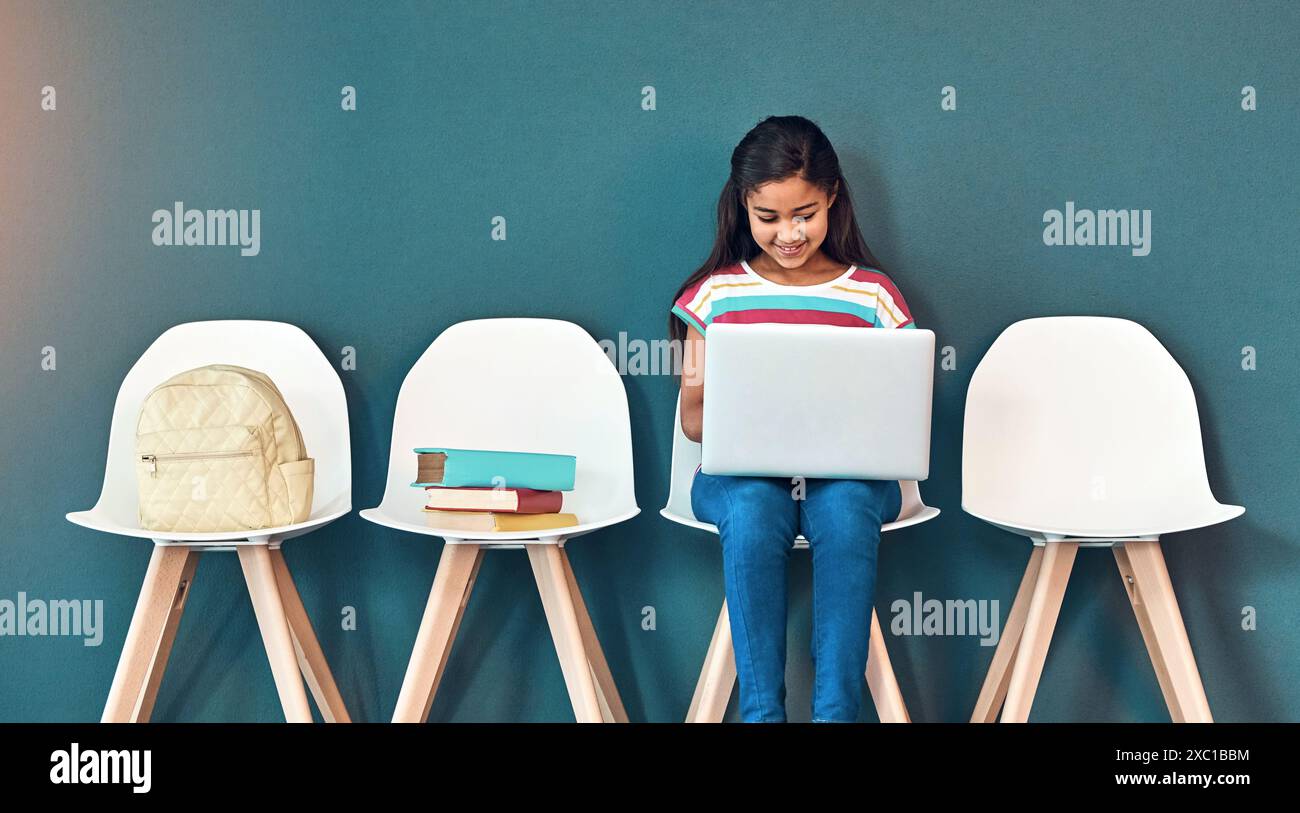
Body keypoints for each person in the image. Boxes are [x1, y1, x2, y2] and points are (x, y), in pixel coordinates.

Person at [668, 115, 917, 722]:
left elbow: (902, 414)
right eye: (768, 217)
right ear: (743, 208)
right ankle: (762, 715)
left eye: (804, 214)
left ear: (832, 198)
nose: (788, 234)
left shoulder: (873, 296)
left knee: (845, 505)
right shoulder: (715, 295)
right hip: (740, 478)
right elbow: (694, 422)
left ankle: (836, 714)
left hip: (850, 480)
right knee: (753, 509)